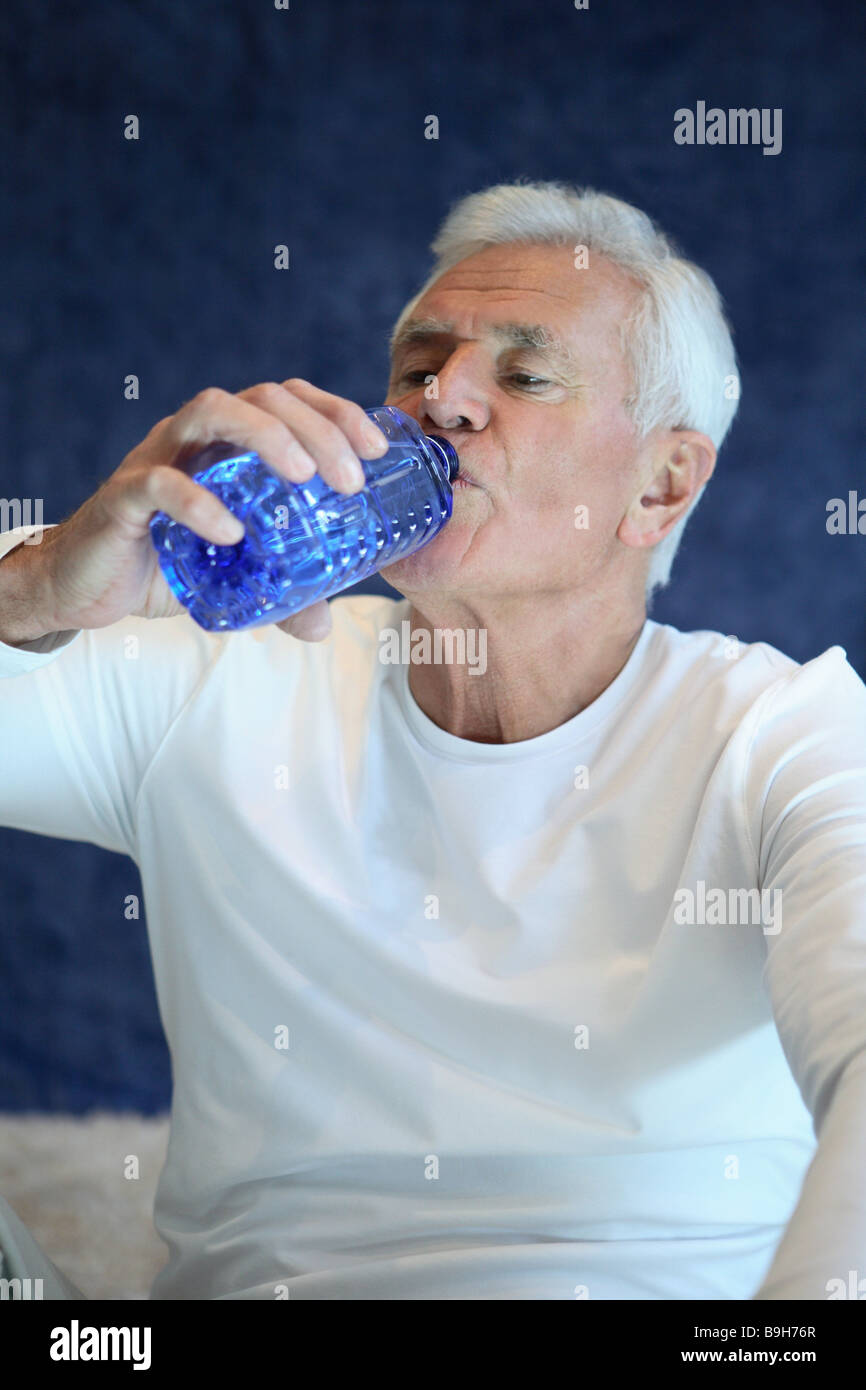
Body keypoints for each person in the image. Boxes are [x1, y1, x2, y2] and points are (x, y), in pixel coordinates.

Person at [1, 180, 864, 1301]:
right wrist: (37, 590)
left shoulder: (779, 731)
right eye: (418, 366)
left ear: (658, 486)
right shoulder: (213, 661)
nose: (440, 401)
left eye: (522, 374)